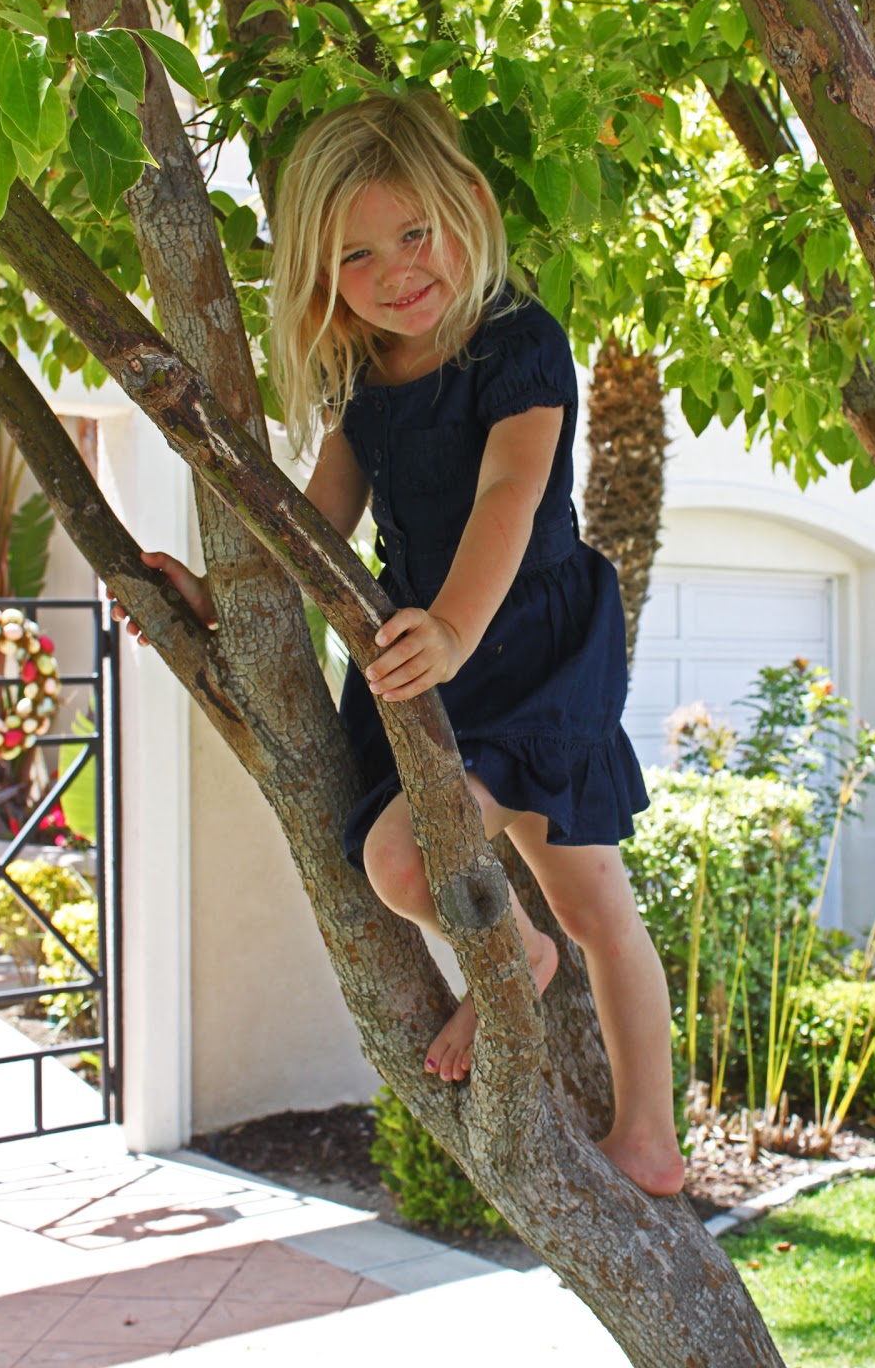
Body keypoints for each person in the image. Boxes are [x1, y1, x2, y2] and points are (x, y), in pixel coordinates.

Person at [113, 90, 685, 1197]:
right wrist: (218, 607)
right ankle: (514, 948)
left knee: (589, 901)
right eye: (356, 256)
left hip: (524, 642)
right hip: (424, 662)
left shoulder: (519, 342)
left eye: (411, 233)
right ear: (325, 279)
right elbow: (313, 531)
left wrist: (459, 628)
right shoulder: (364, 389)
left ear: (465, 206)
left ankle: (646, 1129)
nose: (394, 271)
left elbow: (514, 495)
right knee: (409, 861)